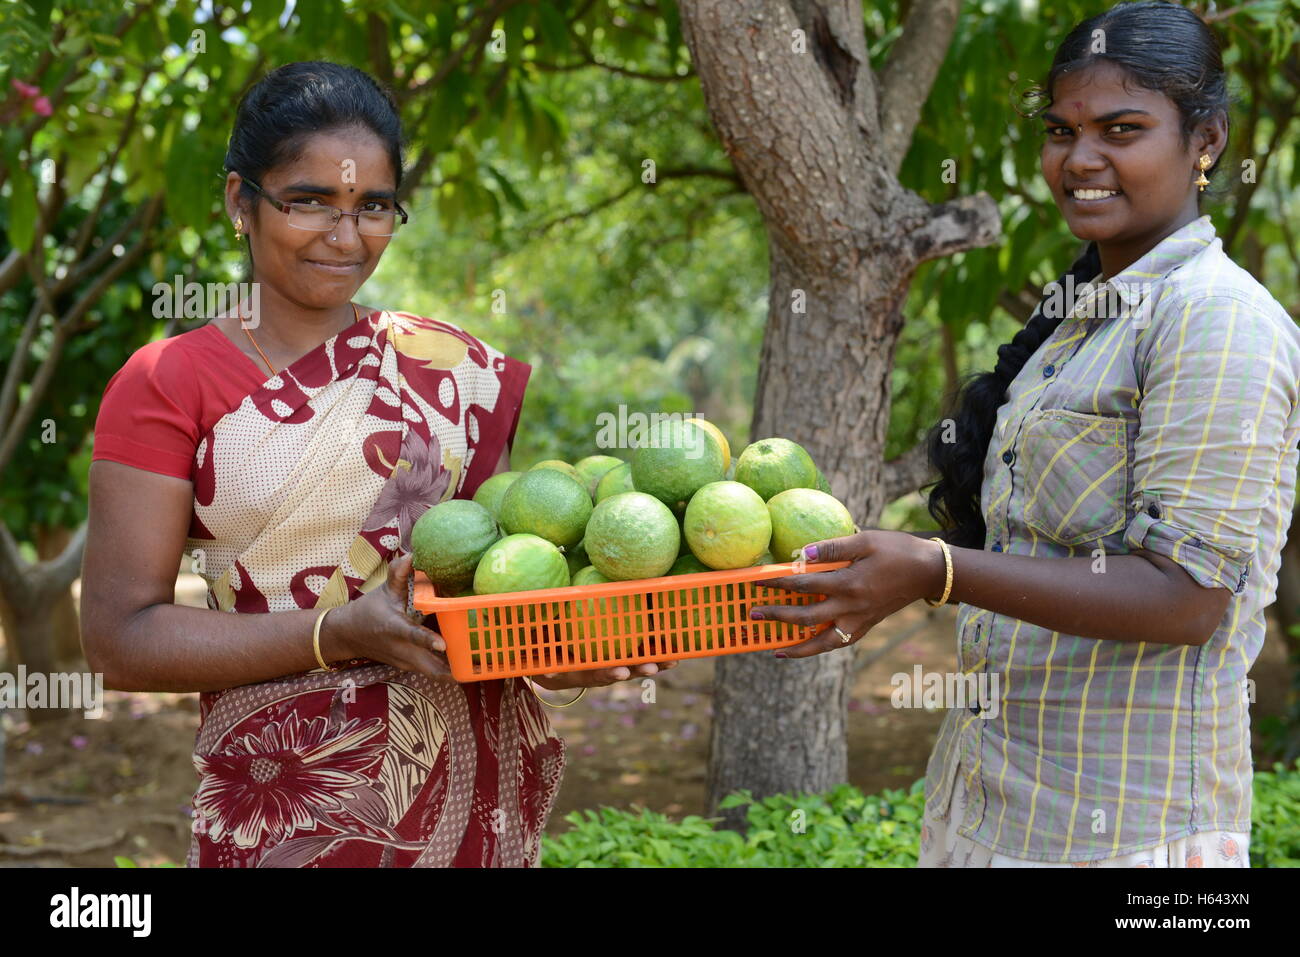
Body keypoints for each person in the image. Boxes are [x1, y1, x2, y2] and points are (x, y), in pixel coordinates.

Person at [81, 60, 673, 868]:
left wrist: (576, 647)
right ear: (238, 201)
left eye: (373, 207)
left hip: (469, 803)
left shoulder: (449, 367)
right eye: (309, 201)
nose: (346, 235)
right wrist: (339, 633)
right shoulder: (168, 383)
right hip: (286, 803)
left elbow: (488, 590)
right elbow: (121, 639)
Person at [749, 1, 1300, 867]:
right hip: (991, 805)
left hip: (1133, 835)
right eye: (1061, 129)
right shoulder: (1083, 317)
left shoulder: (1218, 320)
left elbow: (1188, 598)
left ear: (1207, 141)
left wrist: (933, 570)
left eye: (1122, 129)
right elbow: (1038, 545)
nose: (1080, 159)